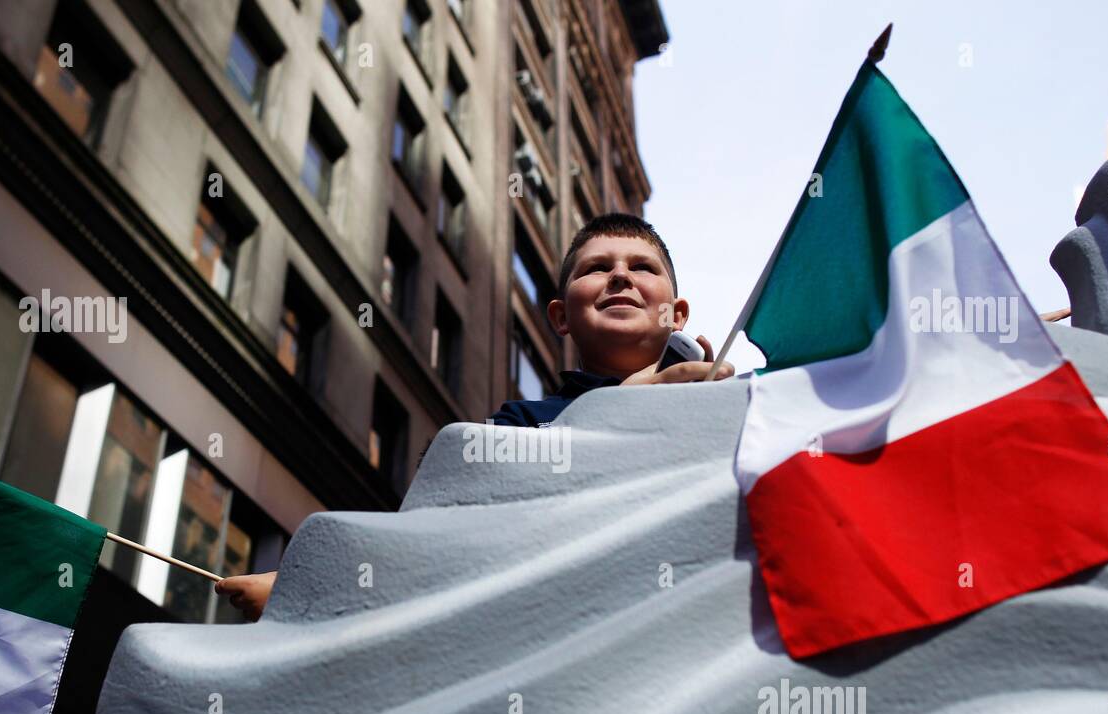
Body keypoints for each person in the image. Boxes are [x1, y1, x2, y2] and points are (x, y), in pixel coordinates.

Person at [215, 213, 734, 621]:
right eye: (596, 268)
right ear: (559, 317)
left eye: (642, 267)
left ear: (678, 314)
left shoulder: (730, 403)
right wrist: (305, 594)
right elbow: (446, 509)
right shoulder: (521, 421)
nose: (620, 274)